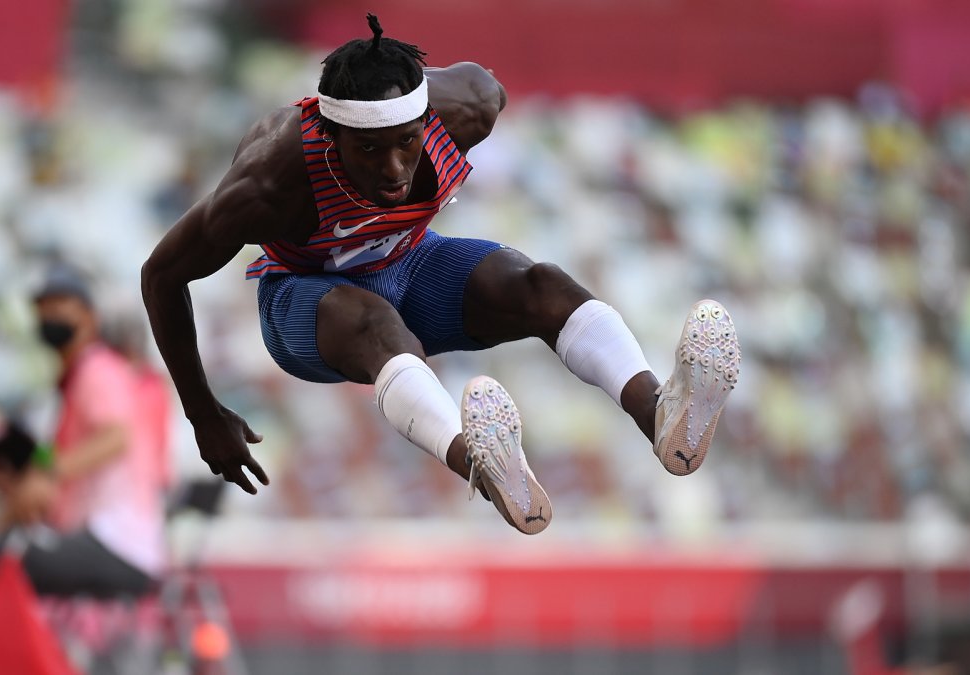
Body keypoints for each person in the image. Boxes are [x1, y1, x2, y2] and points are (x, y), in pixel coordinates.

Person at [140, 15, 741, 535]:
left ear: (426, 121)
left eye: (405, 144)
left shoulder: (468, 108)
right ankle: (480, 462)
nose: (395, 170)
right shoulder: (270, 183)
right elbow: (161, 276)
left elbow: (473, 91)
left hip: (407, 261)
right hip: (305, 302)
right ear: (330, 135)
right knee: (376, 323)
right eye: (369, 151)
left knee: (543, 286)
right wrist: (203, 413)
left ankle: (660, 413)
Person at [0, 266, 167, 622]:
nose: (49, 315)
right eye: (42, 307)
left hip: (116, 543)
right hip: (103, 540)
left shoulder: (97, 369)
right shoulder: (73, 383)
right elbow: (55, 461)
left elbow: (116, 438)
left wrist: (46, 471)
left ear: (90, 316)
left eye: (60, 304)